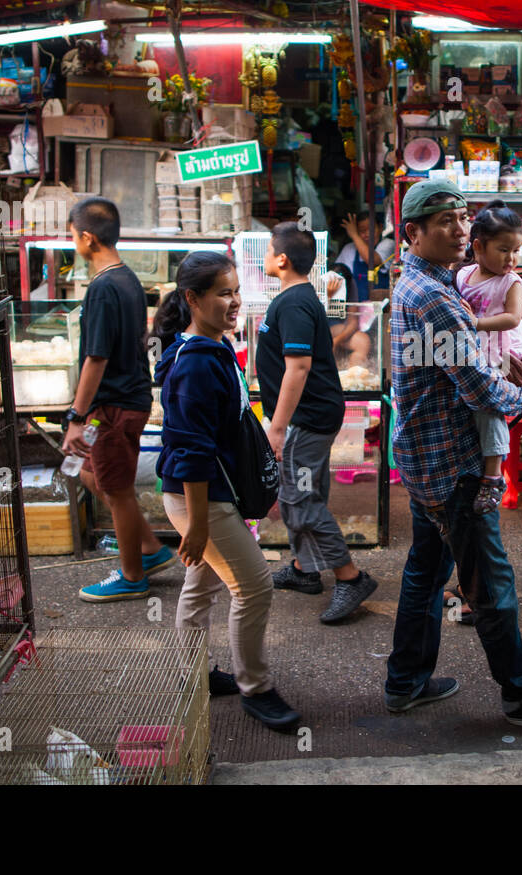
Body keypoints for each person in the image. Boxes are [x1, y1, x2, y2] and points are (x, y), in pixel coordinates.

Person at [386, 178, 522, 730]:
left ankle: (405, 681)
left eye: (461, 216)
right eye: (445, 221)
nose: (459, 228)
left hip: (427, 459)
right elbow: (478, 389)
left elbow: (459, 372)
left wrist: (498, 372)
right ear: (414, 233)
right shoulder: (434, 297)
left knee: (426, 574)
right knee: (490, 583)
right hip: (453, 466)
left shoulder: (428, 285)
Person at [153, 251, 300, 729]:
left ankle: (192, 674)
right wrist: (195, 527)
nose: (234, 302)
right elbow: (193, 453)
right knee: (254, 586)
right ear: (193, 299)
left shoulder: (207, 347)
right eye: (223, 293)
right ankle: (255, 688)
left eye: (236, 291)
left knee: (203, 586)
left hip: (210, 495)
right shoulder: (197, 363)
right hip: (201, 498)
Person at [259, 222, 378, 623]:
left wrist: (277, 427)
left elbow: (299, 367)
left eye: (270, 249)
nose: (266, 256)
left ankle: (350, 577)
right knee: (306, 489)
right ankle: (305, 569)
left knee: (300, 496)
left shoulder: (293, 303)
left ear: (282, 259)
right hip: (313, 414)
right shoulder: (299, 296)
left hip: (305, 418)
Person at [63, 197, 175, 603]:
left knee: (119, 488)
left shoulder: (105, 287)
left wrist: (76, 416)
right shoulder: (126, 278)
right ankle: (148, 549)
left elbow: (96, 358)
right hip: (118, 403)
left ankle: (131, 577)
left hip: (111, 407)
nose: (72, 242)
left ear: (88, 238)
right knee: (90, 473)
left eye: (73, 235)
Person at [455, 200, 522, 514]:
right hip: (475, 354)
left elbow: (513, 319)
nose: (512, 258)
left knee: (490, 408)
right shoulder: (463, 276)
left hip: (503, 356)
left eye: (516, 250)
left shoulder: (512, 283)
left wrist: (475, 323)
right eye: (504, 250)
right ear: (477, 246)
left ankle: (493, 474)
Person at [337, 210, 395, 302]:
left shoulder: (388, 244)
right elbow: (337, 275)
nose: (367, 234)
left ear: (380, 228)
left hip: (381, 309)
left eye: (371, 229)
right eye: (362, 231)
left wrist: (354, 235)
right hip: (356, 308)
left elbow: (373, 260)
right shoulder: (349, 249)